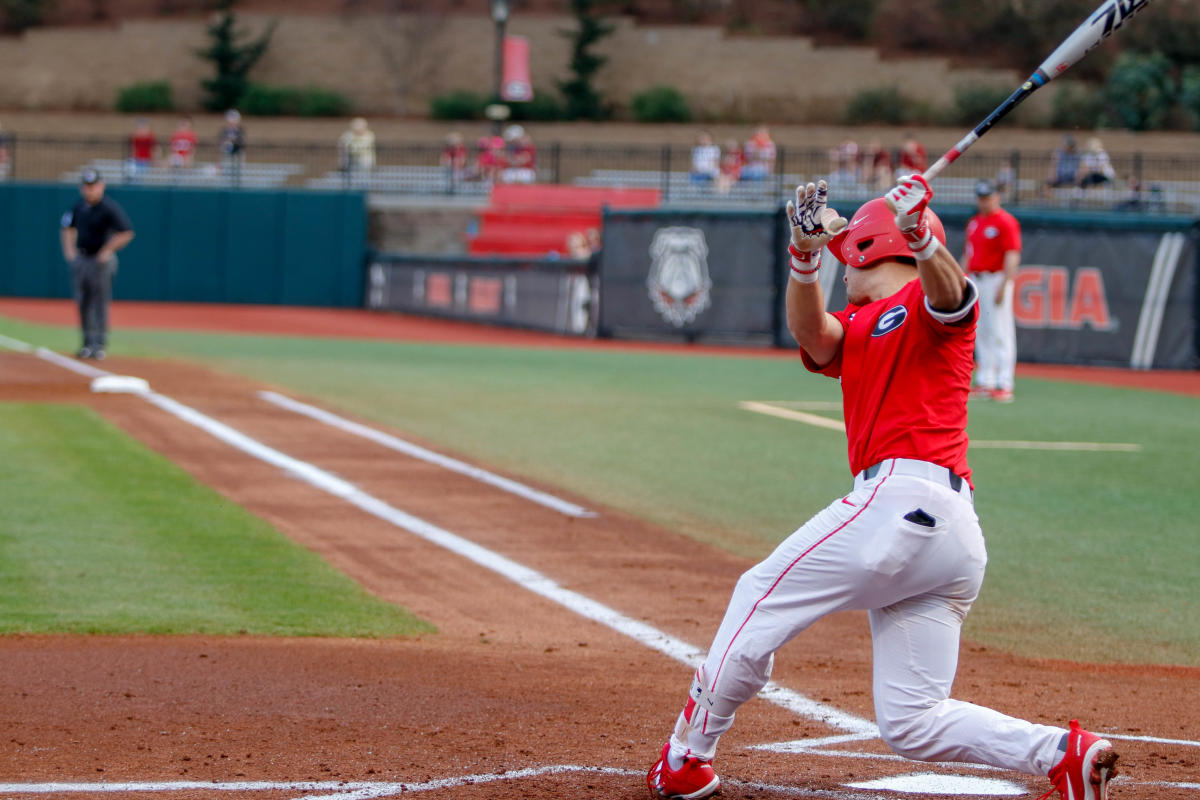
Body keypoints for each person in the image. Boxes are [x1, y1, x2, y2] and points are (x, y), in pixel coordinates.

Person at [646, 175, 1118, 800]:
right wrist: (805, 256)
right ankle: (1063, 754)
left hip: (903, 501)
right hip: (951, 537)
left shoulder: (928, 305)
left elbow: (955, 298)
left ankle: (687, 754)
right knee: (912, 720)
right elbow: (813, 335)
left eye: (848, 257)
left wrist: (921, 236)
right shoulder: (863, 323)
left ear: (876, 249)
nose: (845, 270)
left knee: (757, 593)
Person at [59, 169, 135, 361]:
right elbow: (67, 228)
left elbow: (126, 232)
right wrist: (70, 252)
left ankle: (99, 344)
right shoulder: (78, 207)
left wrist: (107, 250)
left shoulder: (109, 208)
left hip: (100, 262)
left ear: (101, 186)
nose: (89, 190)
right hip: (82, 259)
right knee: (83, 301)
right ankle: (87, 343)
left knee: (99, 302)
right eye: (86, 186)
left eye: (93, 186)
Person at [963, 179, 1021, 402]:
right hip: (977, 279)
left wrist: (1006, 283)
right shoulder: (975, 222)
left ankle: (1004, 382)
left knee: (1001, 331)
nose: (984, 201)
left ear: (997, 197)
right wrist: (961, 278)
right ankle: (986, 380)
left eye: (987, 197)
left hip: (996, 278)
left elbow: (1012, 254)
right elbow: (969, 255)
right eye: (981, 197)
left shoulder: (1005, 221)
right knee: (982, 331)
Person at [218, 109, 246, 176]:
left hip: (237, 152)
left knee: (238, 169)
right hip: (227, 153)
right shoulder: (224, 130)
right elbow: (221, 140)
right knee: (226, 168)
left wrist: (233, 141)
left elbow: (242, 141)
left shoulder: (240, 130)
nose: (232, 121)